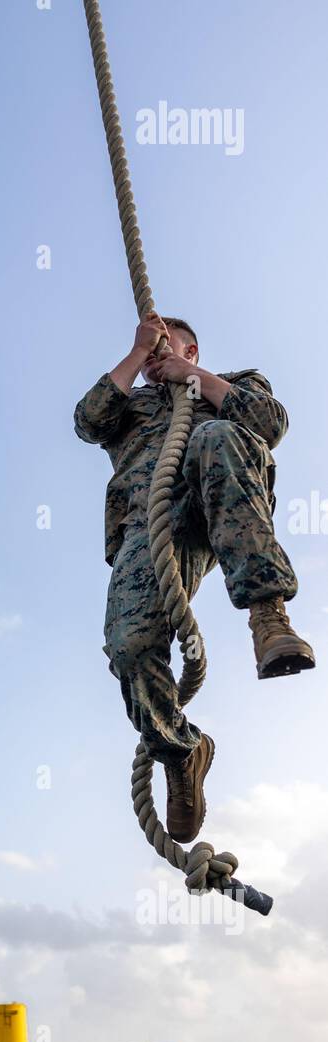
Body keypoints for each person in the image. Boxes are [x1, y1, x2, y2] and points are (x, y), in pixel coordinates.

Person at [74, 313, 314, 843]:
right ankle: (181, 751)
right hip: (152, 522)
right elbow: (87, 421)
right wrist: (137, 356)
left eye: (168, 344)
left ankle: (269, 618)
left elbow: (269, 423)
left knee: (213, 436)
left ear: (193, 349)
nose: (158, 352)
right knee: (129, 646)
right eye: (151, 345)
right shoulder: (130, 405)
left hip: (219, 494)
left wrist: (191, 377)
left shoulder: (232, 384)